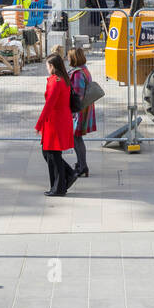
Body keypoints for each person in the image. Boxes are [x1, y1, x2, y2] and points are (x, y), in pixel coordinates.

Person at [36, 54, 77, 196]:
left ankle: (59, 186)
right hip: (61, 119)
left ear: (52, 66)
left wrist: (39, 123)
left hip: (55, 122)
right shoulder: (63, 79)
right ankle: (66, 178)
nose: (47, 68)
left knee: (52, 154)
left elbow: (49, 105)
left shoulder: (56, 81)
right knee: (52, 154)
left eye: (47, 65)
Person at [68, 47, 96, 178]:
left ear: (74, 58)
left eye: (69, 56)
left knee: (76, 138)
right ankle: (80, 164)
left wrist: (72, 111)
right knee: (77, 138)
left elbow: (78, 94)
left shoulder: (78, 73)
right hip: (84, 108)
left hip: (79, 110)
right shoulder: (84, 69)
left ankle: (82, 166)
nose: (67, 58)